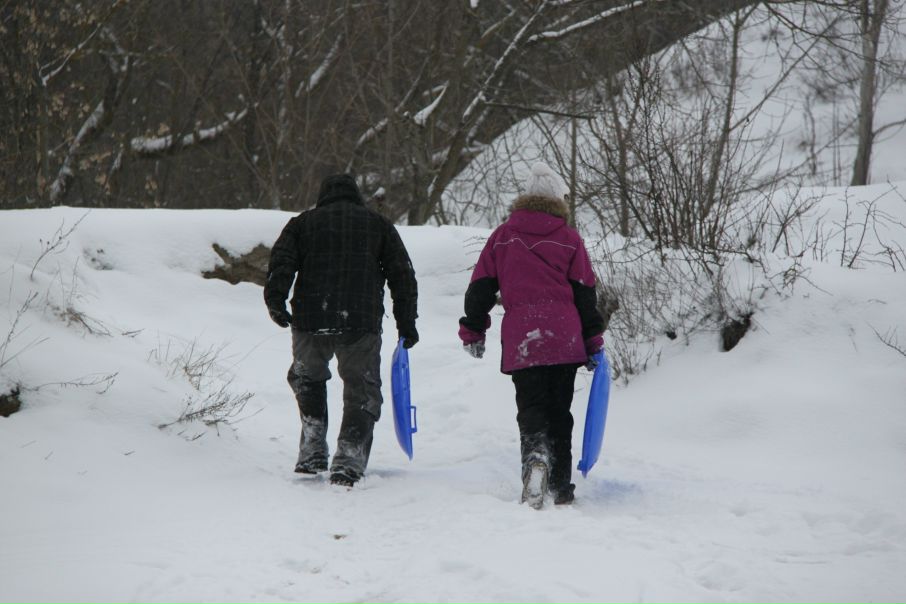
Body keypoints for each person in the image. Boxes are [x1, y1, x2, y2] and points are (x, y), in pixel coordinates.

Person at [458, 162, 604, 509]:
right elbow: (585, 292)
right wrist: (593, 340)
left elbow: (481, 287)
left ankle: (536, 460)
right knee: (560, 412)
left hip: (524, 338)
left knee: (532, 407)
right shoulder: (569, 239)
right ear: (557, 200)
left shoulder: (504, 236)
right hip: (564, 337)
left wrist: (473, 330)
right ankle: (560, 487)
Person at [264, 173, 418, 487]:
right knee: (361, 388)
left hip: (311, 319)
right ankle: (349, 459)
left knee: (307, 378)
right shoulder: (378, 225)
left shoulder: (302, 224)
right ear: (356, 195)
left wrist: (276, 301)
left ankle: (312, 448)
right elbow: (402, 276)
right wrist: (406, 323)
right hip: (360, 322)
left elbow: (281, 263)